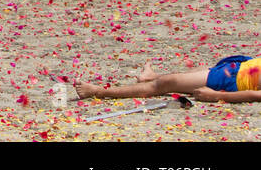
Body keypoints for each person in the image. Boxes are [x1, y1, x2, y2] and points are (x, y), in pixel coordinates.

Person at [76, 57, 261, 103]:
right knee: (190, 75)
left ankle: (99, 91)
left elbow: (256, 95)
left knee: (166, 84)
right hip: (240, 67)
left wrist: (216, 96)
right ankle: (151, 76)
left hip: (234, 82)